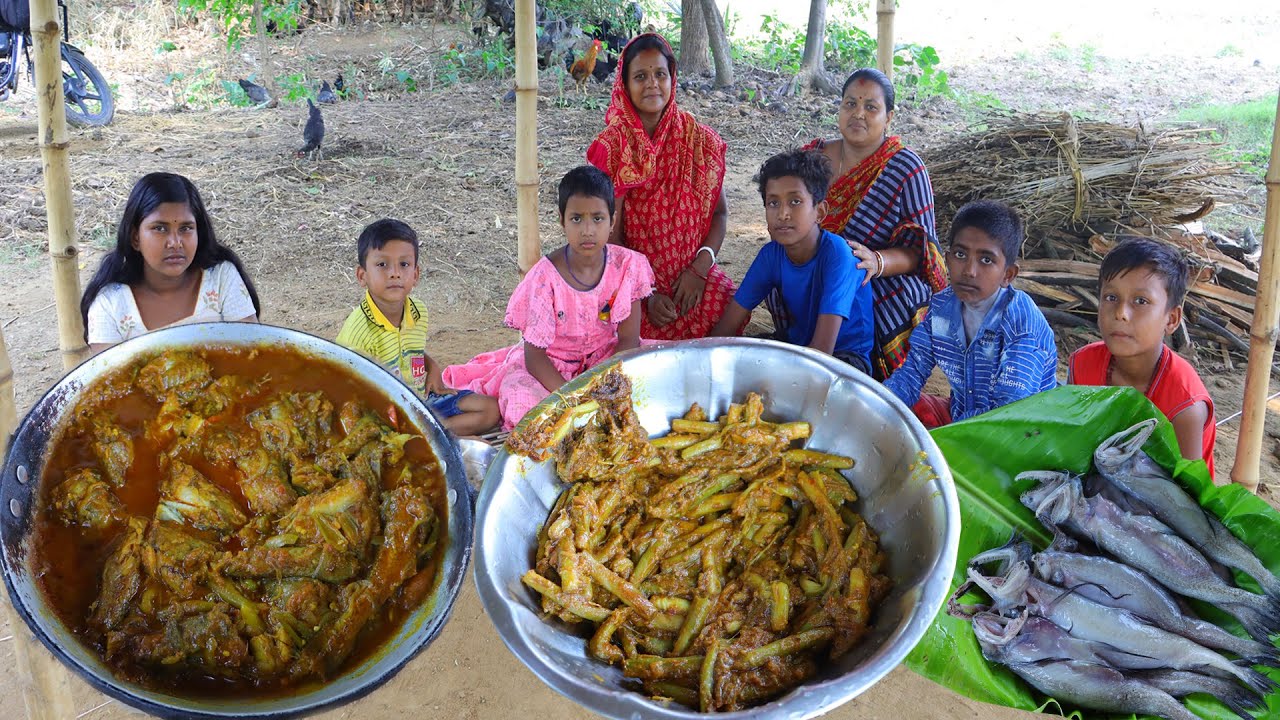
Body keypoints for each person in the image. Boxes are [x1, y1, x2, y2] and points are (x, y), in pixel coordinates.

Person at [443, 166, 656, 430]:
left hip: (607, 361)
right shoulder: (544, 278)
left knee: (655, 383)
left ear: (612, 221)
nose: (587, 230)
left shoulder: (627, 266)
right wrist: (571, 396)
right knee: (524, 405)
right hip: (551, 369)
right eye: (576, 219)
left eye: (598, 218)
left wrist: (602, 386)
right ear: (561, 221)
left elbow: (628, 339)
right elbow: (535, 357)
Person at [792, 67, 948, 380]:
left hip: (879, 278)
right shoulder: (811, 158)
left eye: (871, 107)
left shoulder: (906, 168)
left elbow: (923, 252)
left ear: (889, 117)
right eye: (850, 104)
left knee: (863, 287)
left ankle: (871, 370)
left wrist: (876, 261)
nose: (858, 114)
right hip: (814, 266)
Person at [586, 32, 735, 341]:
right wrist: (647, 293)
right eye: (640, 76)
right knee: (614, 333)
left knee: (732, 306)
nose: (652, 84)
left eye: (660, 74)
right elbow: (609, 234)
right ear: (625, 85)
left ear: (672, 79)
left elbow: (719, 214)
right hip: (631, 283)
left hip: (690, 282)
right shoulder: (613, 147)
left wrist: (699, 270)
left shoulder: (699, 140)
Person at [885, 200, 1057, 426]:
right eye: (960, 254)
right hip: (963, 417)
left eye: (986, 260)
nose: (969, 271)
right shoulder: (941, 308)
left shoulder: (1021, 324)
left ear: (1008, 274)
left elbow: (1008, 412)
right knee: (893, 407)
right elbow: (912, 373)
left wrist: (943, 434)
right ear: (947, 259)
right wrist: (878, 408)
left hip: (1022, 432)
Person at [710, 149, 873, 372]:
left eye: (795, 201)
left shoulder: (838, 256)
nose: (783, 214)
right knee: (741, 359)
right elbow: (726, 328)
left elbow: (821, 353)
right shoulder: (771, 255)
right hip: (797, 347)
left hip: (844, 360)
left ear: (820, 212)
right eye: (773, 203)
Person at [1067, 237, 1216, 478]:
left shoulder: (1184, 403)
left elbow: (1186, 490)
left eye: (1141, 301)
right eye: (1111, 297)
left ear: (1171, 319)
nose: (1121, 313)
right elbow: (1073, 443)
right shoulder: (1082, 365)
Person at [336, 219, 499, 437]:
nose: (394, 273)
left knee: (490, 409)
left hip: (421, 400)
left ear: (415, 274)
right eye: (382, 265)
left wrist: (432, 367)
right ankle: (432, 436)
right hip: (383, 415)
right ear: (362, 275)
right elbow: (349, 394)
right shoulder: (359, 332)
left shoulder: (417, 312)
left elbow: (410, 351)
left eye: (404, 264)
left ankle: (432, 434)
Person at [81, 172, 260, 353]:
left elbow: (254, 353)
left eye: (186, 228)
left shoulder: (221, 279)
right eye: (160, 228)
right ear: (135, 238)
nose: (175, 243)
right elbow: (109, 370)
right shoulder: (109, 304)